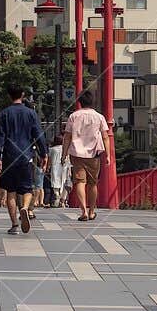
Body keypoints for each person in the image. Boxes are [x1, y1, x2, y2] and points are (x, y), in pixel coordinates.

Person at [0, 84, 47, 236]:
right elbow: (38, 134)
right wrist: (44, 153)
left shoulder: (4, 114)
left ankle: (14, 225)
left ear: (9, 96)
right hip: (26, 156)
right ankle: (24, 207)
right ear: (23, 95)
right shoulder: (31, 113)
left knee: (10, 191)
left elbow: (1, 136)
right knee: (28, 188)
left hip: (9, 156)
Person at [62, 90, 109, 223]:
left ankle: (83, 211)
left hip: (76, 153)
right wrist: (108, 155)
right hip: (94, 154)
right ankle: (92, 211)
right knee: (93, 183)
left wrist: (64, 154)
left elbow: (67, 137)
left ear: (80, 102)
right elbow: (105, 136)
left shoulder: (73, 116)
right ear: (93, 102)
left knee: (80, 182)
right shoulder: (99, 117)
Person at [47, 137, 68, 210]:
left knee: (55, 181)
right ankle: (63, 200)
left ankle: (57, 195)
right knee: (64, 182)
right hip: (64, 167)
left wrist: (48, 167)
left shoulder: (52, 149)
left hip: (55, 167)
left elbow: (49, 160)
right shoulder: (65, 148)